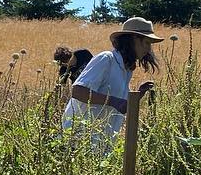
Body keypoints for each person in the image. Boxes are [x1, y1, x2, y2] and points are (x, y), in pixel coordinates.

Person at [63, 18, 160, 151]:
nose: (149, 49)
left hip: (98, 147)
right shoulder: (106, 59)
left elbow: (120, 106)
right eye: (147, 42)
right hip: (77, 143)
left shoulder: (125, 70)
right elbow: (78, 91)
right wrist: (113, 101)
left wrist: (138, 94)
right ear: (133, 40)